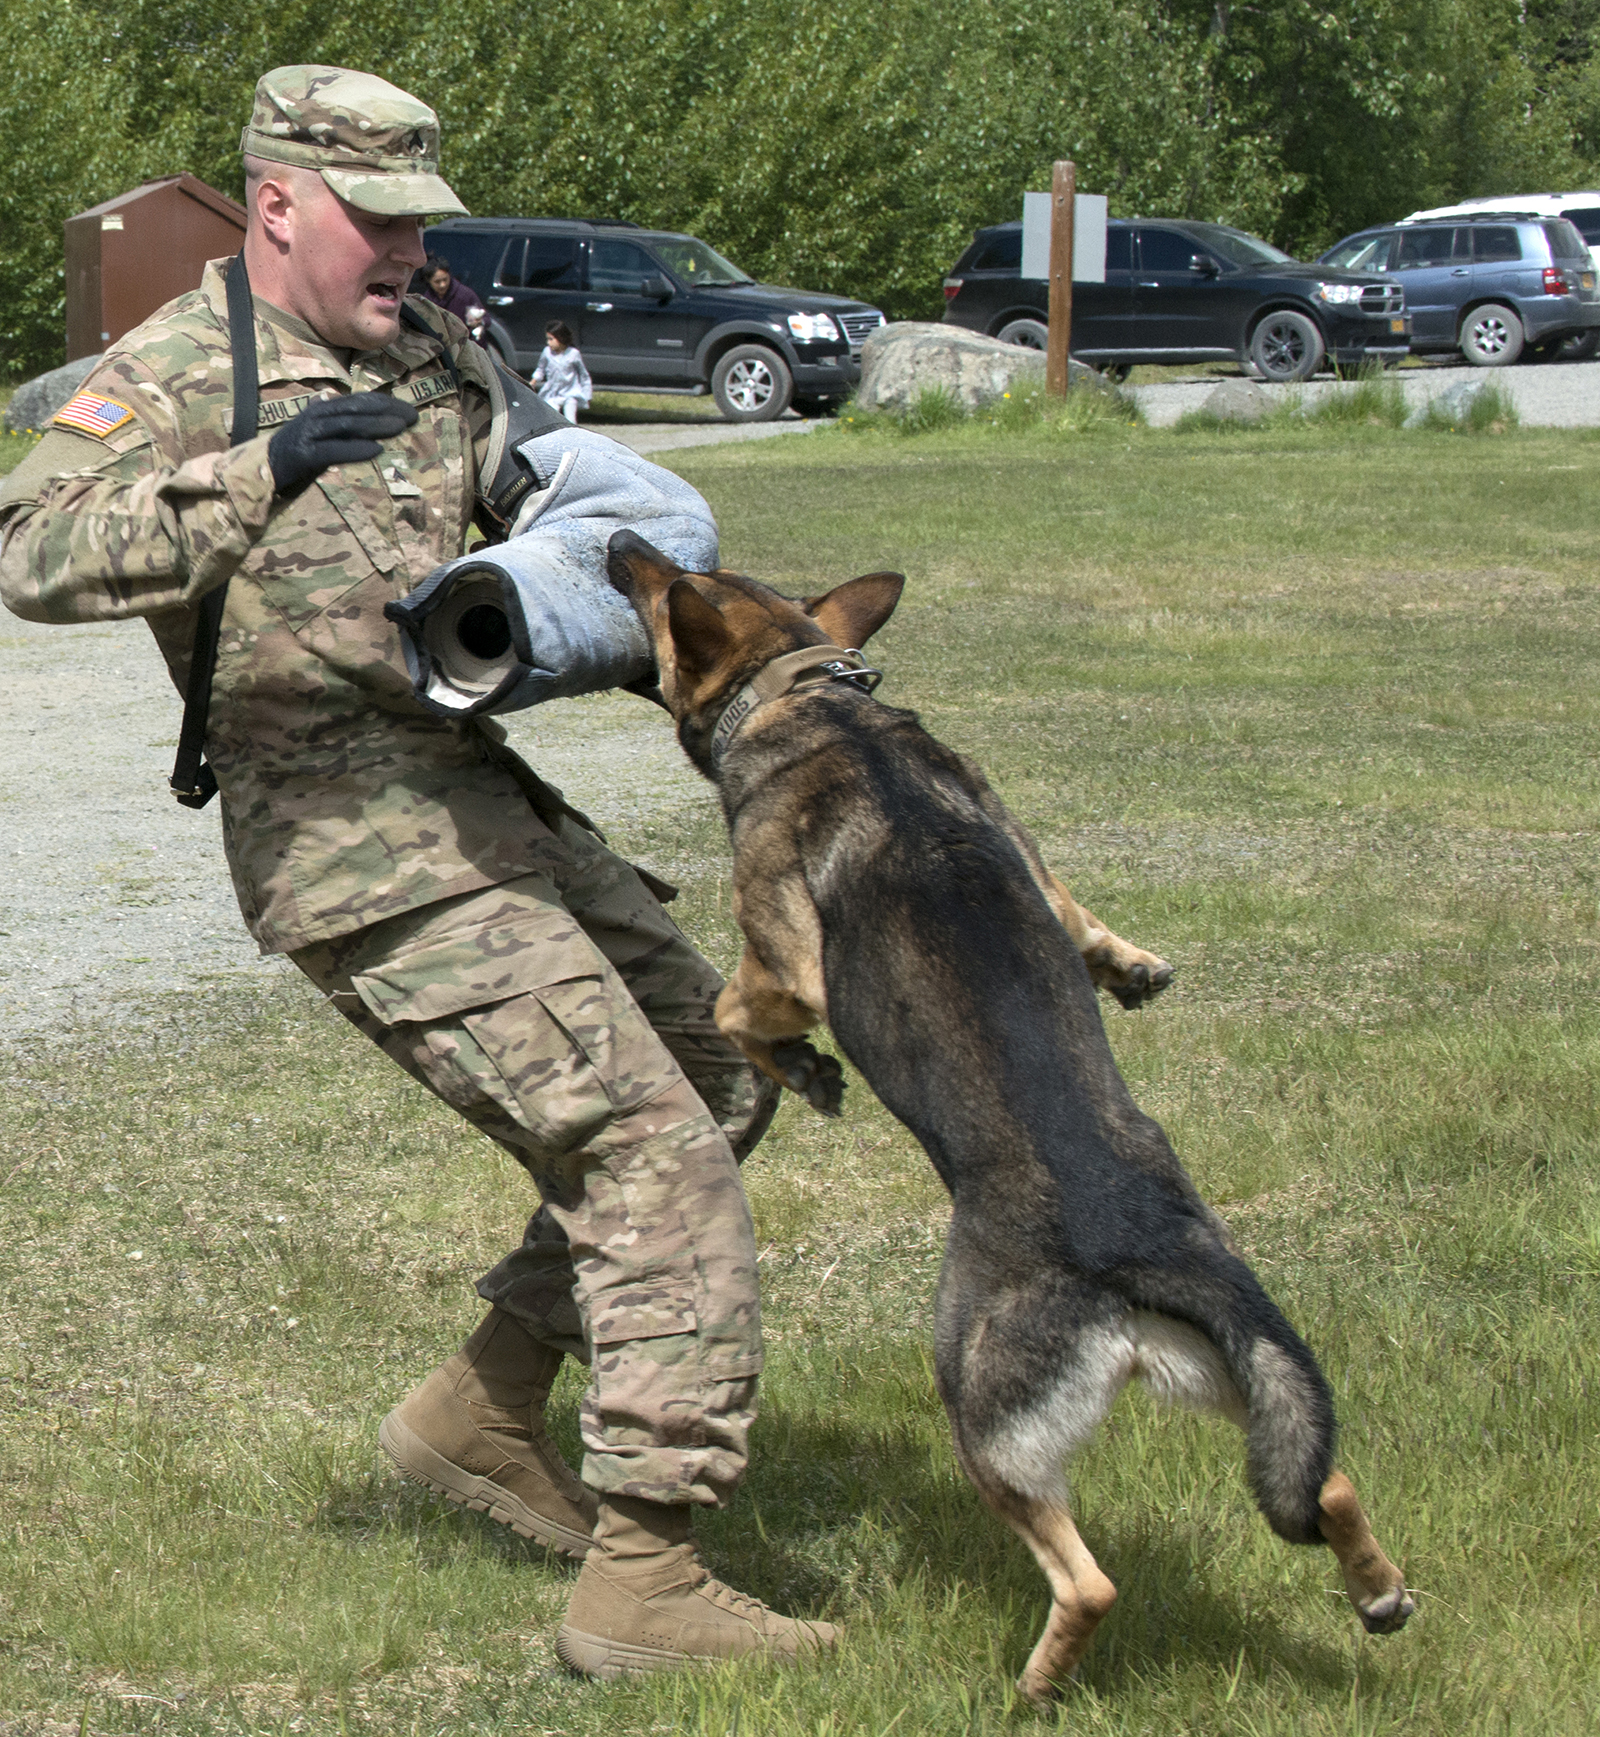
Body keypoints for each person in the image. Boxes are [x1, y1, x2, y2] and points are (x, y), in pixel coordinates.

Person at [0, 64, 829, 1680]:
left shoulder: (431, 340)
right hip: (343, 842)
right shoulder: (181, 368)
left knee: (728, 1068)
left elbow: (522, 502)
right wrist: (264, 472)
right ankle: (646, 1576)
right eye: (374, 220)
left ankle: (482, 1410)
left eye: (417, 221)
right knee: (656, 1153)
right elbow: (26, 550)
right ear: (280, 206)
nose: (402, 249)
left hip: (472, 788)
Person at [531, 319, 593, 422]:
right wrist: (533, 382)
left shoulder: (573, 354)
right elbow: (540, 369)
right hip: (552, 394)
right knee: (550, 419)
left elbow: (583, 375)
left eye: (551, 339)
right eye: (547, 339)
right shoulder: (547, 352)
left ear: (561, 338)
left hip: (570, 393)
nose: (548, 343)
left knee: (570, 421)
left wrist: (586, 393)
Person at [419, 252, 487, 344]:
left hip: (467, 345)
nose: (442, 285)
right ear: (428, 281)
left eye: (445, 279)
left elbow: (485, 318)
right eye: (437, 282)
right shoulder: (426, 300)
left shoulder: (465, 295)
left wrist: (479, 322)